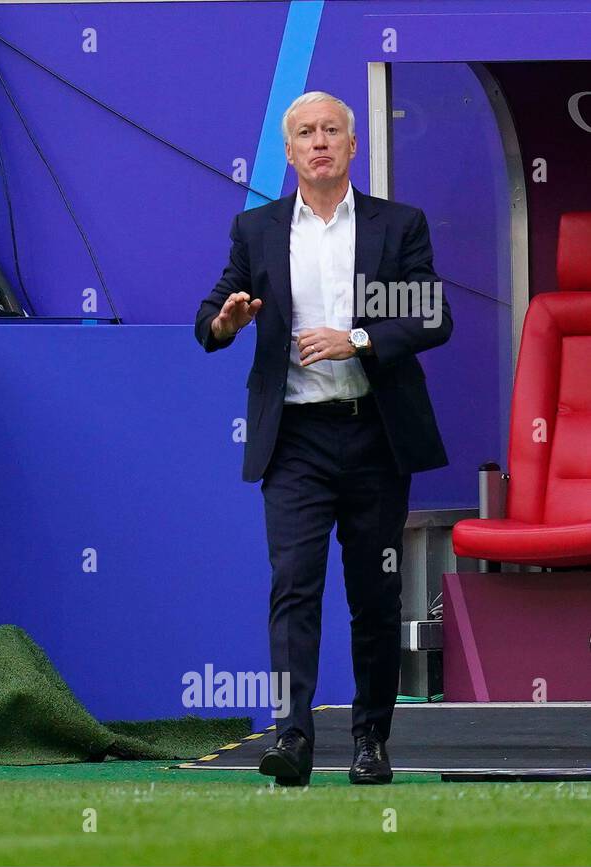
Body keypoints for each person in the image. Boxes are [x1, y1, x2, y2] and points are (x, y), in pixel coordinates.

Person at [195, 91, 452, 786]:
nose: (318, 142)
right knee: (293, 586)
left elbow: (432, 315)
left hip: (375, 436)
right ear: (288, 150)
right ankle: (293, 735)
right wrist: (227, 321)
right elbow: (211, 316)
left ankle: (371, 738)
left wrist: (358, 338)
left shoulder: (397, 227)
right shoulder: (258, 230)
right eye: (305, 132)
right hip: (297, 440)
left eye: (330, 130)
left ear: (352, 143)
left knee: (374, 595)